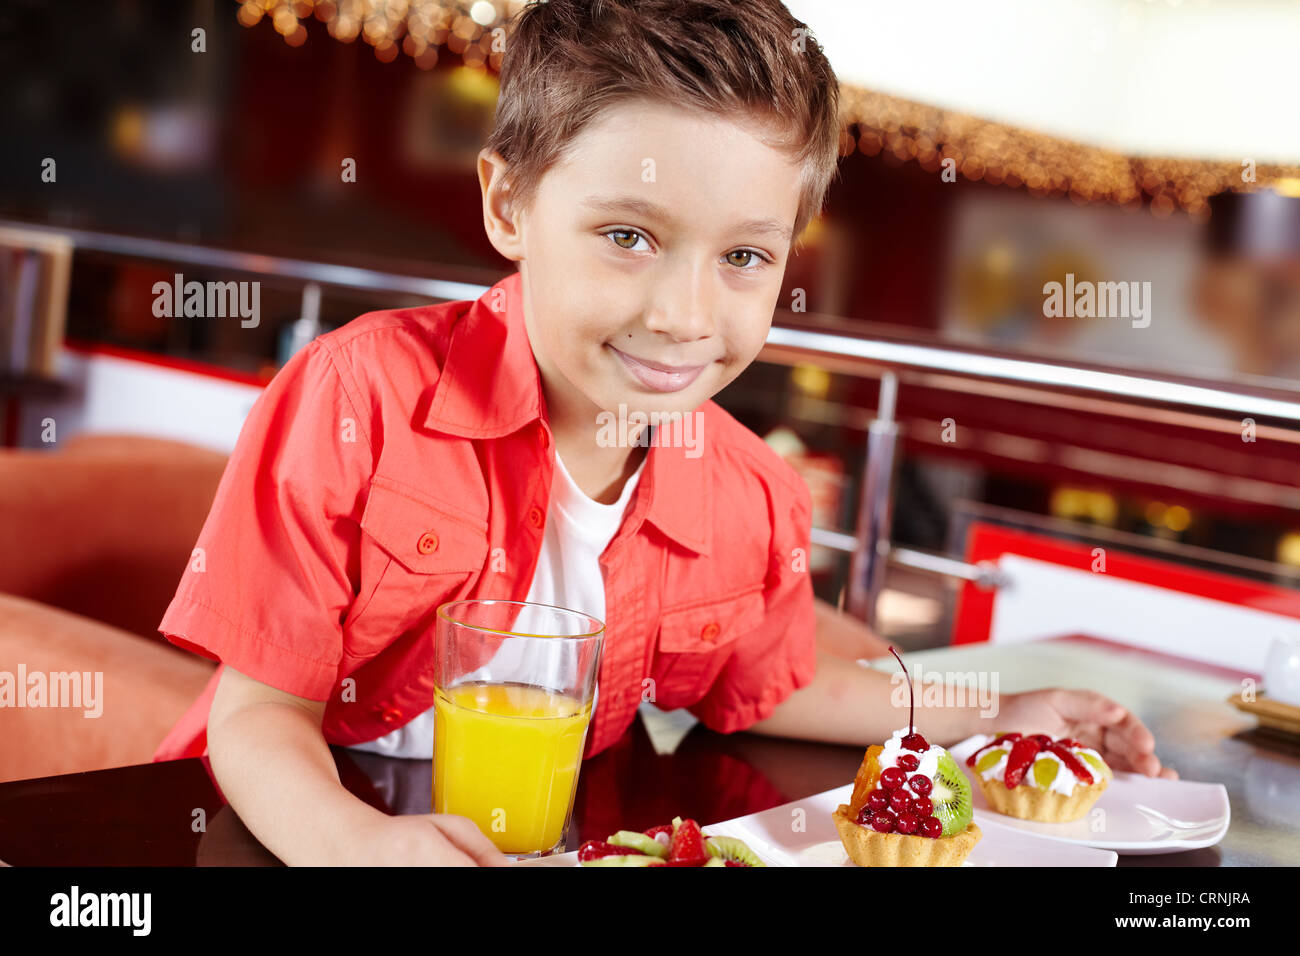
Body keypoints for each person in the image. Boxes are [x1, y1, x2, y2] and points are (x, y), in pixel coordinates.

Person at [154, 0, 1174, 867]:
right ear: (509, 203)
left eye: (743, 256)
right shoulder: (353, 396)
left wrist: (997, 706)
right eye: (628, 236)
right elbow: (259, 713)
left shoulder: (744, 489)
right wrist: (359, 844)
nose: (687, 315)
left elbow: (778, 683)